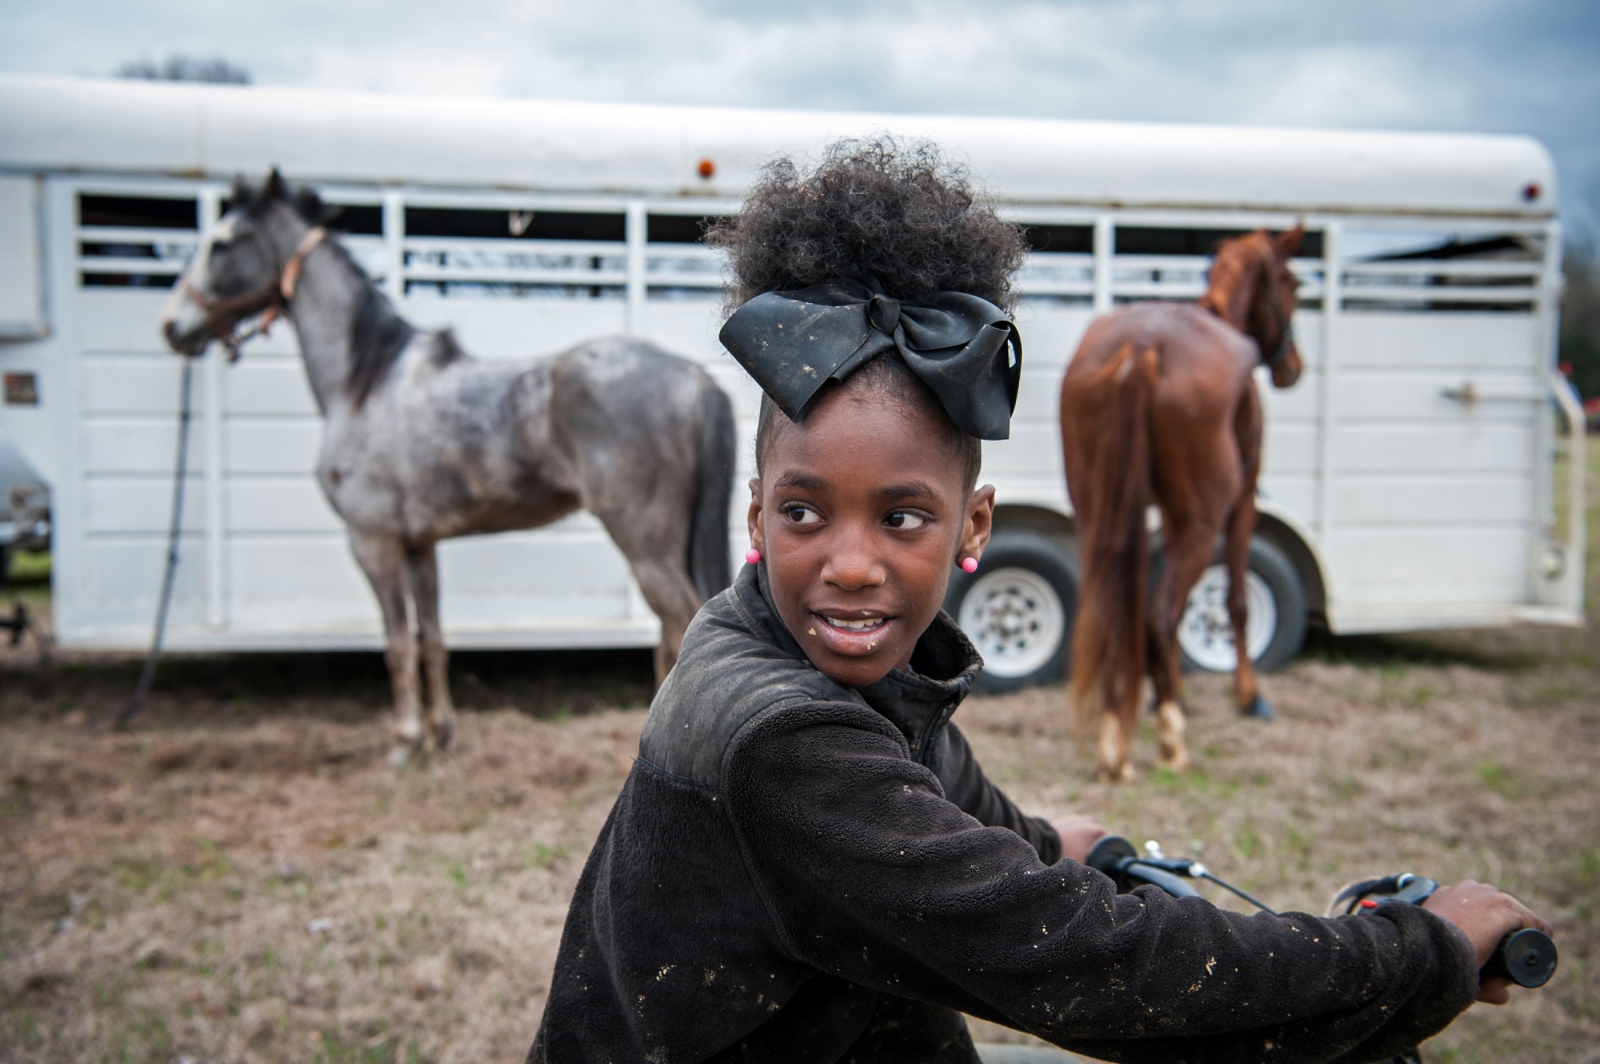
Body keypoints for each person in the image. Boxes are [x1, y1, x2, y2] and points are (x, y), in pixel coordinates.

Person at [528, 140, 1550, 1064]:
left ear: (973, 526)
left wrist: (1055, 842)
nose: (850, 563)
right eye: (805, 512)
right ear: (757, 513)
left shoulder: (827, 659)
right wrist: (1415, 953)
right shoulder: (780, 738)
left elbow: (944, 811)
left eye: (901, 517)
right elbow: (1090, 965)